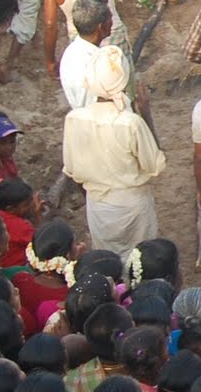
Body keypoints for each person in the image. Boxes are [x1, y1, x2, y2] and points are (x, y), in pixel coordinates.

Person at [61, 44, 165, 251]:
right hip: (133, 205)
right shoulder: (130, 123)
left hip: (98, 208)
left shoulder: (73, 119)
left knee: (109, 264)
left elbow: (72, 170)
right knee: (142, 262)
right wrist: (145, 114)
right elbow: (154, 165)